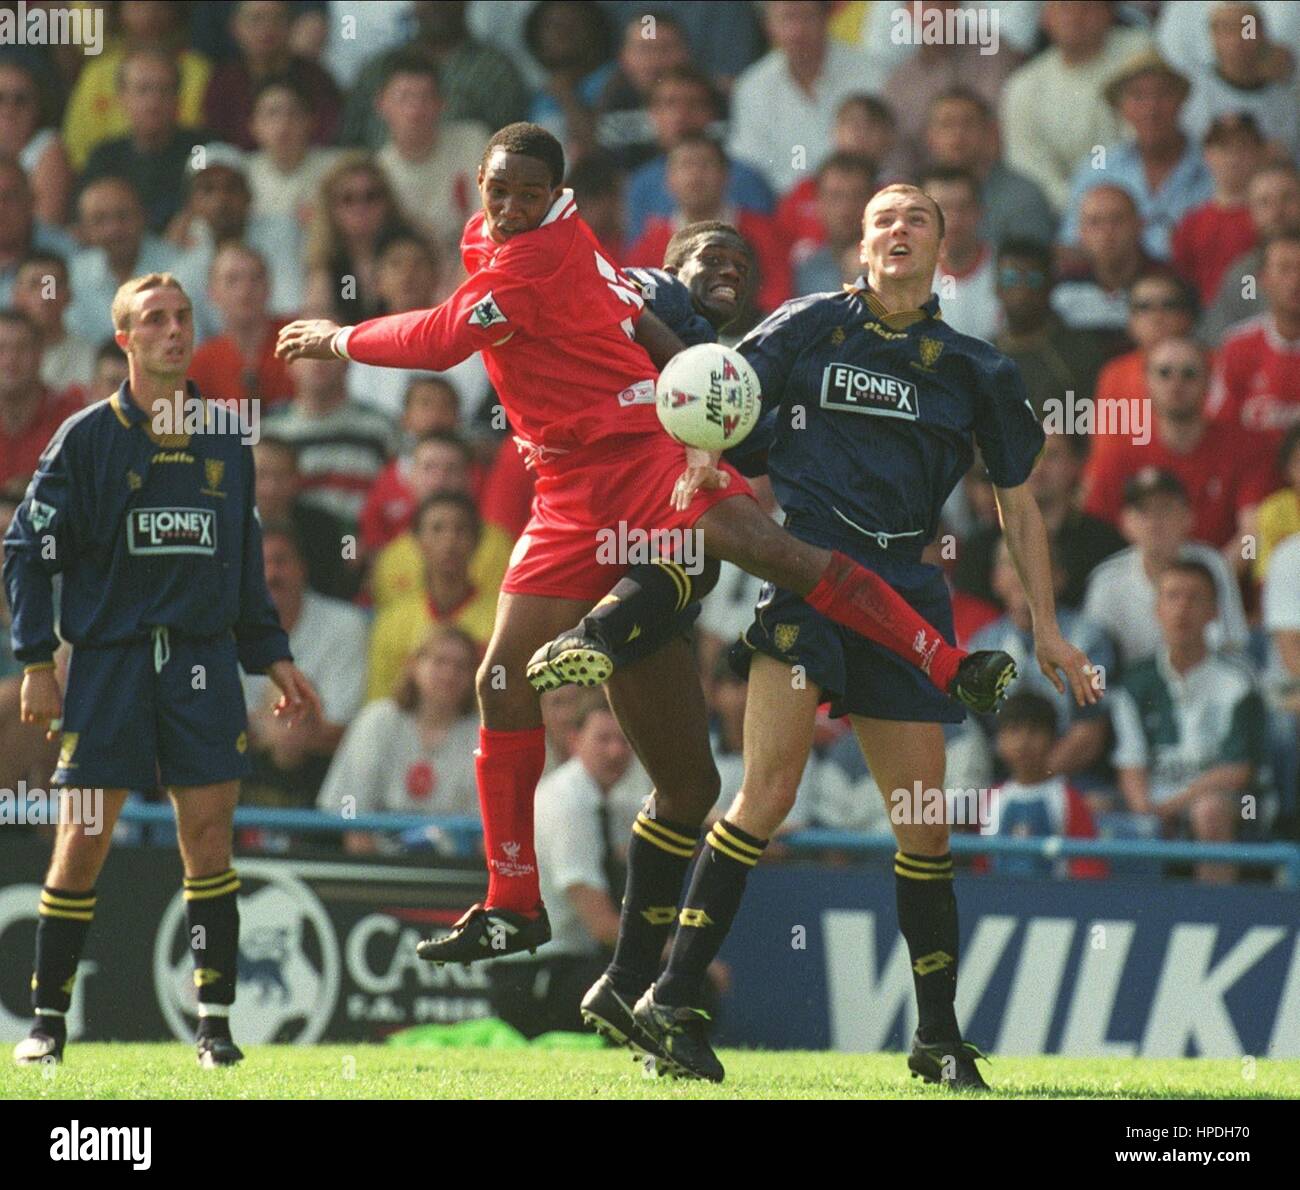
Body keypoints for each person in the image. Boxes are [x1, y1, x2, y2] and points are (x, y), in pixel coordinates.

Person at [275, 124, 1021, 1008]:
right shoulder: (589, 263)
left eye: (740, 266)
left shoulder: (556, 259)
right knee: (560, 712)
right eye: (711, 257)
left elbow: (452, 340)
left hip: (644, 458)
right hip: (565, 489)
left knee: (733, 555)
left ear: (559, 199)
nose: (725, 273)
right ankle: (524, 904)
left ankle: (932, 662)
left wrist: (334, 338)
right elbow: (631, 319)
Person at [537, 181, 1096, 1085]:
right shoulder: (807, 324)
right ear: (861, 247)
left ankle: (938, 1035)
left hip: (908, 592)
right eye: (883, 219)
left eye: (917, 218)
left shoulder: (976, 369)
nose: (899, 229)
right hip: (806, 575)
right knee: (766, 794)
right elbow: (717, 386)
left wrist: (1048, 630)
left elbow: (1018, 503)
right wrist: (699, 453)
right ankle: (672, 997)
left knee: (924, 829)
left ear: (943, 248)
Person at [3, 271, 320, 1067]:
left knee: (208, 840)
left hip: (204, 664)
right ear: (126, 339)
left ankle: (215, 1026)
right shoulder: (85, 438)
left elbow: (244, 565)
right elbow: (25, 551)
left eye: (182, 318)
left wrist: (273, 657)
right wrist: (37, 659)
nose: (174, 331)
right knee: (82, 838)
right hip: (109, 664)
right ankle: (47, 1022)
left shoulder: (225, 440)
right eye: (155, 320)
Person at [490, 702, 650, 1037]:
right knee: (672, 985)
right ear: (575, 740)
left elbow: (660, 817)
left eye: (625, 740)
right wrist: (682, 958)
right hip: (534, 976)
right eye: (604, 739)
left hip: (563, 967)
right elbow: (604, 928)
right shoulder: (568, 805)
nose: (616, 751)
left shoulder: (604, 801)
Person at [1109, 559, 1267, 883]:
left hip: (1228, 802)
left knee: (1209, 811)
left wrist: (1168, 808)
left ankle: (1216, 915)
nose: (1182, 608)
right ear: (1157, 609)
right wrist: (1145, 811)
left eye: (1194, 598)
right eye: (1172, 596)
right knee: (1091, 807)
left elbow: (1236, 772)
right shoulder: (1134, 683)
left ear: (1213, 612)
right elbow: (1131, 763)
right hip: (1155, 800)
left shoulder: (1238, 682)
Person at [1083, 336, 1263, 554]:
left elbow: (1252, 535)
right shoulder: (1120, 450)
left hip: (1221, 577)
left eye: (1189, 374)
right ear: (1146, 382)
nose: (1176, 384)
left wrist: (1215, 576)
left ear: (1209, 381)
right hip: (1137, 577)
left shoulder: (1243, 445)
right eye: (1164, 373)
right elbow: (1097, 530)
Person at [319, 624, 480, 856]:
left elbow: (484, 829)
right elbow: (349, 804)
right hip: (376, 860)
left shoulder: (482, 733)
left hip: (455, 862)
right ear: (414, 665)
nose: (449, 674)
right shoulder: (376, 720)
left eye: (461, 666)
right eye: (439, 662)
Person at [241, 521, 367, 806]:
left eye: (282, 562)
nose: (272, 574)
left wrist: (274, 729)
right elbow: (218, 725)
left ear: (303, 568)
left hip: (325, 771)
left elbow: (343, 727)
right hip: (245, 770)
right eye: (261, 565)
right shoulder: (225, 626)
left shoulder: (345, 624)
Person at [1082, 467, 1248, 667]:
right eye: (1143, 510)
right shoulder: (1107, 580)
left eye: (1165, 508)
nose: (1155, 521)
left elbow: (1233, 645)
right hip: (1133, 690)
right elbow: (1093, 659)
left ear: (1188, 517)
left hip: (1206, 683)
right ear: (1125, 523)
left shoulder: (1212, 565)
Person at [1059, 50, 1214, 262]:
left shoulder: (1213, 166)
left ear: (1180, 101)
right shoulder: (1098, 169)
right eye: (1137, 96)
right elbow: (1072, 243)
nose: (1151, 108)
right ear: (1121, 108)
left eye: (1163, 94)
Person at [1001, 0, 1152, 213]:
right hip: (1062, 215)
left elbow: (1145, 138)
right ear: (1045, 17)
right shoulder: (1023, 86)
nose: (1075, 16)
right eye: (1064, 7)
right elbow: (1031, 169)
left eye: (1087, 6)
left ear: (1109, 12)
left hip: (1141, 198)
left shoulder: (1138, 53)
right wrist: (1083, 206)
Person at [626, 134, 790, 314]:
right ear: (668, 180)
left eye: (706, 164)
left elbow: (777, 298)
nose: (695, 175)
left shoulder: (762, 232)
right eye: (686, 165)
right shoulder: (649, 244)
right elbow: (639, 302)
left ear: (726, 176)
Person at [729, 1, 880, 196]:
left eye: (807, 17)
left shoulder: (870, 75)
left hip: (860, 199)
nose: (797, 31)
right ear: (768, 26)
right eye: (788, 18)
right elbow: (752, 167)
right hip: (783, 210)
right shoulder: (752, 87)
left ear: (827, 18)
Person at [366, 491, 500, 700]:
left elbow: (503, 696)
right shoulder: (392, 621)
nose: (450, 540)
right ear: (418, 540)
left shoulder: (501, 620)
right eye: (437, 529)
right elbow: (380, 701)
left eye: (461, 529)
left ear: (477, 540)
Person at [624, 65, 774, 246]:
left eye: (693, 104)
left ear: (711, 113)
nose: (681, 115)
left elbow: (766, 246)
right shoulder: (641, 185)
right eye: (669, 103)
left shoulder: (748, 179)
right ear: (652, 114)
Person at [80, 49, 212, 236]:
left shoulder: (201, 149)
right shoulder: (104, 157)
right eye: (143, 90)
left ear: (178, 98)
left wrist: (192, 217)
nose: (154, 101)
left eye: (164, 90)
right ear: (122, 97)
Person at [373, 52, 489, 266]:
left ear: (442, 103)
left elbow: (490, 224)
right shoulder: (379, 173)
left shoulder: (473, 141)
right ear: (381, 104)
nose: (415, 111)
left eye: (426, 97)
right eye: (404, 98)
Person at [982, 691, 1108, 880]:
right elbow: (982, 866)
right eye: (1014, 730)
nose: (1023, 742)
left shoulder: (1068, 799)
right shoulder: (989, 799)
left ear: (1053, 739)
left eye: (1034, 731)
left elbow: (1089, 868)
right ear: (999, 741)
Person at [1206, 230, 1300, 471]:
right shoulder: (1238, 345)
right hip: (1251, 479)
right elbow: (1219, 426)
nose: (1295, 280)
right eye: (1284, 269)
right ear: (1263, 279)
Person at [992, 238, 1114, 418]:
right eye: (1011, 279)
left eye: (1033, 280)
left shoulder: (1081, 351)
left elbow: (1101, 427)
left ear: (1050, 285)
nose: (1022, 290)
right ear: (996, 287)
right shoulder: (981, 356)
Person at [201, 0, 341, 151]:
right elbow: (214, 141)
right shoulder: (223, 82)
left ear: (291, 25)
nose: (266, 28)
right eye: (256, 19)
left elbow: (328, 137)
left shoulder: (317, 79)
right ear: (235, 27)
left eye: (277, 19)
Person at [66, 177, 178, 343]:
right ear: (84, 229)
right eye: (100, 220)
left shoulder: (178, 267)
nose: (114, 229)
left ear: (143, 216)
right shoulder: (73, 275)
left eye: (123, 216)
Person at [1171, 113, 1264, 306]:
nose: (1233, 157)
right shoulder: (1191, 222)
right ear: (1207, 155)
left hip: (1260, 315)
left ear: (1259, 152)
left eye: (1243, 147)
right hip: (1206, 321)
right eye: (1223, 148)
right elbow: (1183, 281)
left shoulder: (1272, 218)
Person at [185, 243, 295, 408]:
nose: (245, 289)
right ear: (212, 292)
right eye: (232, 280)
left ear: (269, 286)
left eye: (255, 278)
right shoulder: (202, 363)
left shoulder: (299, 340)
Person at [0, 310, 82, 490]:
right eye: (1, 348)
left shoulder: (73, 419)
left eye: (22, 348)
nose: (10, 360)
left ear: (40, 354)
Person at [922, 166, 998, 342]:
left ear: (980, 212)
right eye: (942, 209)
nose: (954, 220)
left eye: (963, 207)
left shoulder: (1005, 272)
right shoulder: (903, 279)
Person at [10, 252, 97, 399]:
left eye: (52, 286)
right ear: (16, 295)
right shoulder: (5, 356)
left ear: (69, 295)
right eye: (34, 285)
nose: (45, 297)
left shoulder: (90, 358)